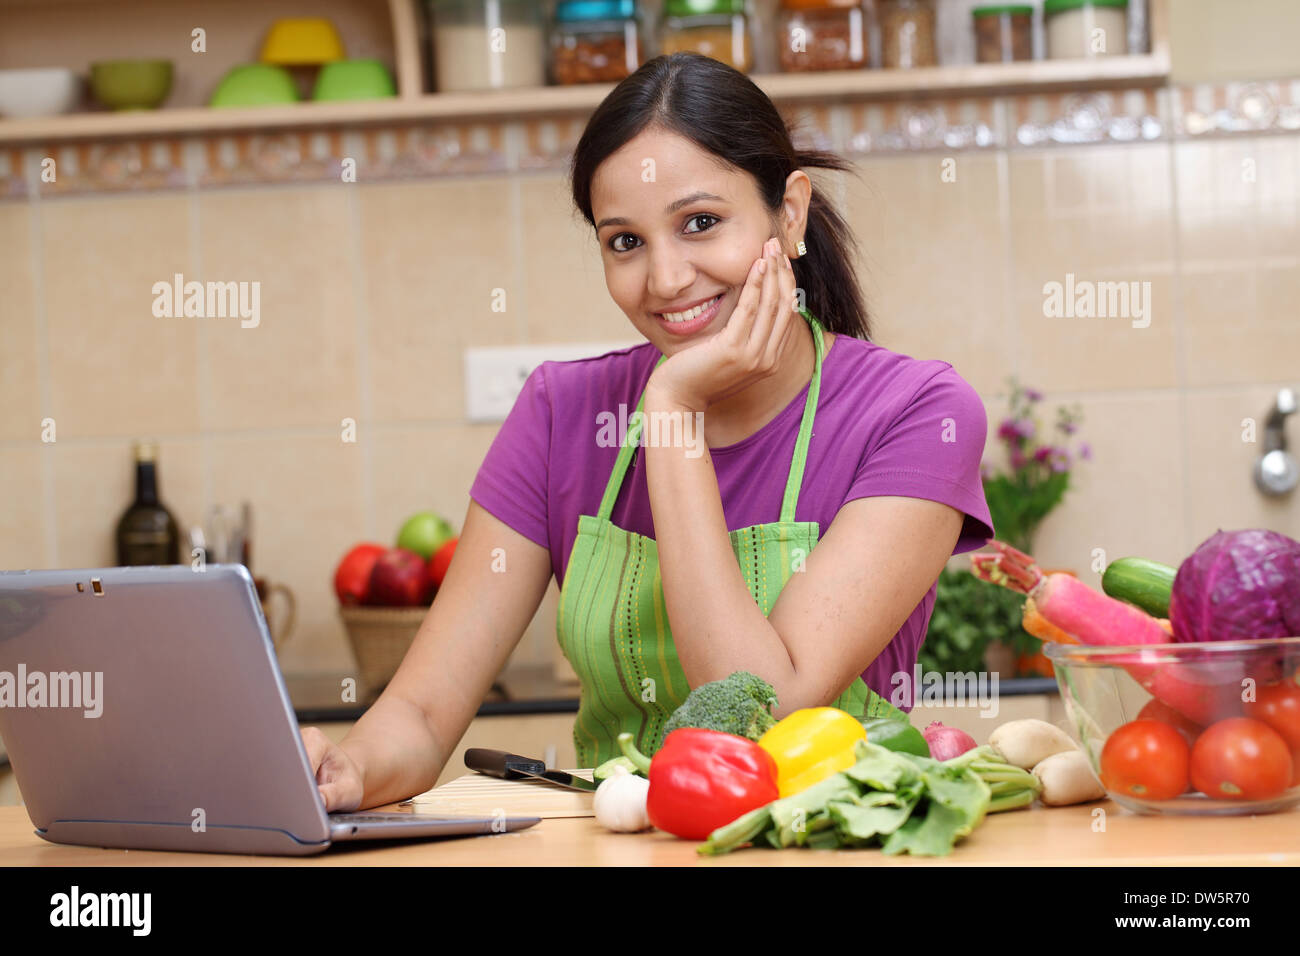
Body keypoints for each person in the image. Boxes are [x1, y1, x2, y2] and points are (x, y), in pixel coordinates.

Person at [303, 52, 993, 810]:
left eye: (701, 223)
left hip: (828, 847)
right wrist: (348, 768)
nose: (664, 281)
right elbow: (422, 713)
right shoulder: (561, 413)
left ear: (788, 213)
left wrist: (669, 414)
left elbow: (766, 705)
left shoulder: (918, 412)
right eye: (625, 242)